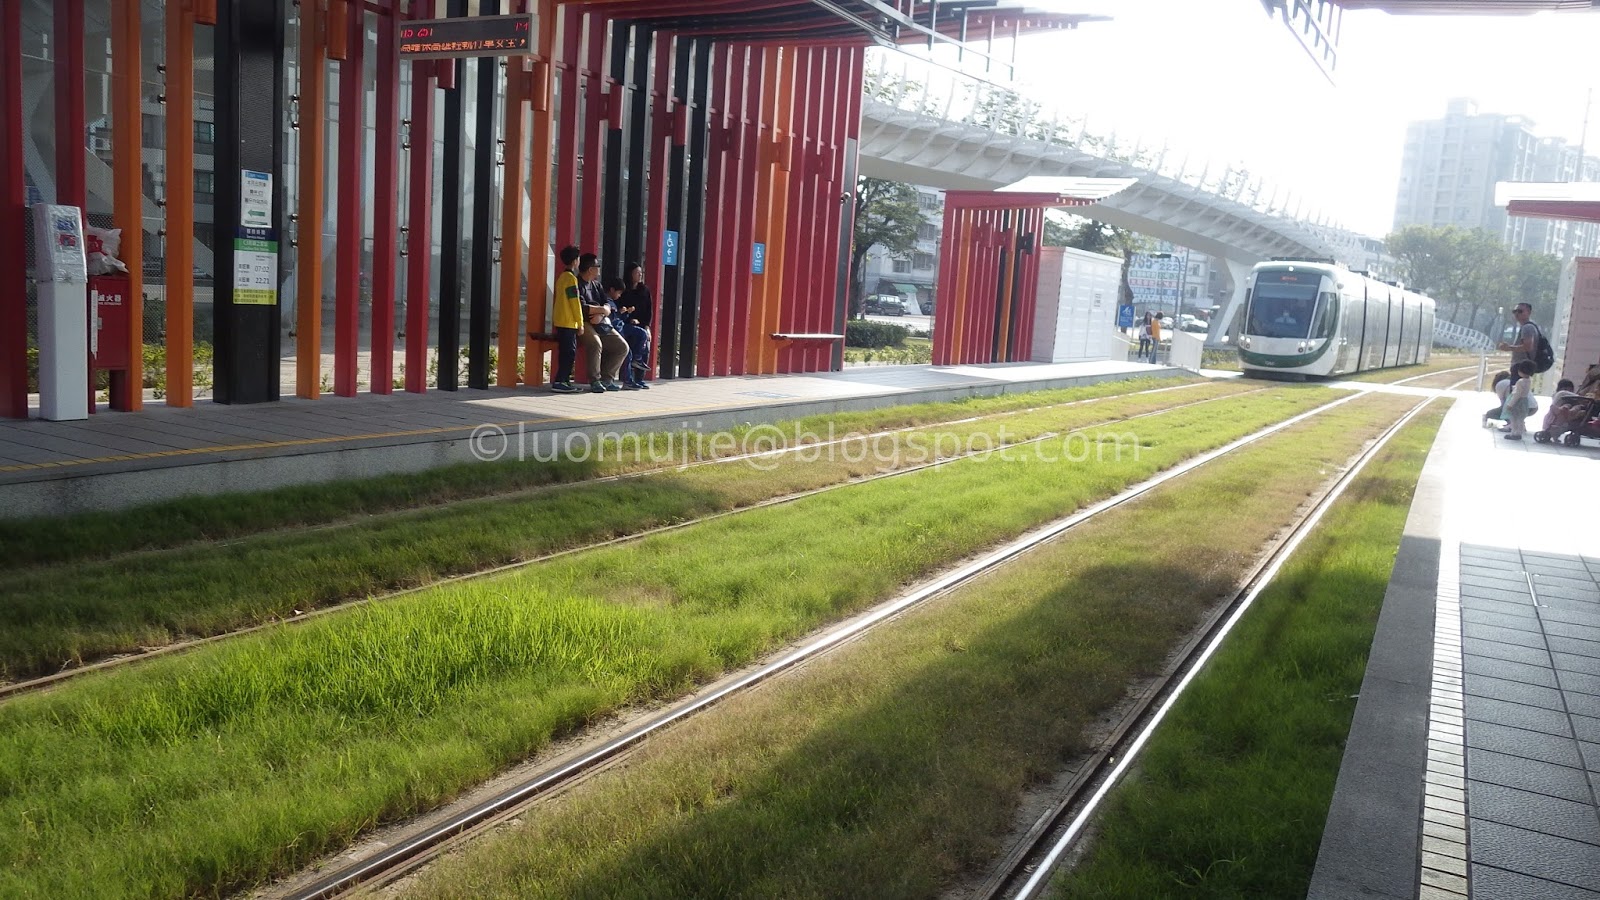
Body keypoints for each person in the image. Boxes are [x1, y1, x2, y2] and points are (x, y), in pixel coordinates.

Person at [578, 253, 629, 392]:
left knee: (622, 347)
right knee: (596, 343)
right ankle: (595, 380)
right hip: (583, 322)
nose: (599, 269)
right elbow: (581, 308)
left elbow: (608, 304)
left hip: (600, 322)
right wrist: (601, 310)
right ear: (590, 269)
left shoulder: (596, 285)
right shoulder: (577, 284)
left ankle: (607, 379)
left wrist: (601, 313)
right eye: (597, 266)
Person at [549, 245, 588, 393]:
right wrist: (580, 322)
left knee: (565, 351)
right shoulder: (571, 279)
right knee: (569, 352)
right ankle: (561, 380)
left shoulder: (562, 277)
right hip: (568, 322)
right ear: (575, 261)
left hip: (561, 320)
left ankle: (563, 380)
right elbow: (575, 302)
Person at [620, 262, 654, 383]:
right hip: (627, 323)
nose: (640, 275)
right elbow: (620, 308)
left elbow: (649, 310)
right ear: (630, 274)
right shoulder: (624, 290)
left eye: (641, 272)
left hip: (642, 324)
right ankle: (627, 378)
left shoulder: (644, 290)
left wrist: (647, 326)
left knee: (646, 346)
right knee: (629, 347)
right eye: (637, 272)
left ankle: (639, 379)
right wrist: (629, 318)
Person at [1497, 303, 1540, 372]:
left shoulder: (1527, 327)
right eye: (1514, 311)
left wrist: (1509, 348)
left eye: (1520, 311)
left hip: (1522, 367)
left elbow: (1528, 347)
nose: (1517, 313)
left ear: (1529, 313)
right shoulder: (1526, 327)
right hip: (1522, 367)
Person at [1502, 360, 1538, 441]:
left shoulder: (1520, 381)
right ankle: (1519, 433)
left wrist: (1510, 404)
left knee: (1514, 418)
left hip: (1518, 402)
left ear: (1521, 371)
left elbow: (1517, 395)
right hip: (1524, 401)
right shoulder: (1529, 380)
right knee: (1520, 419)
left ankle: (1514, 433)